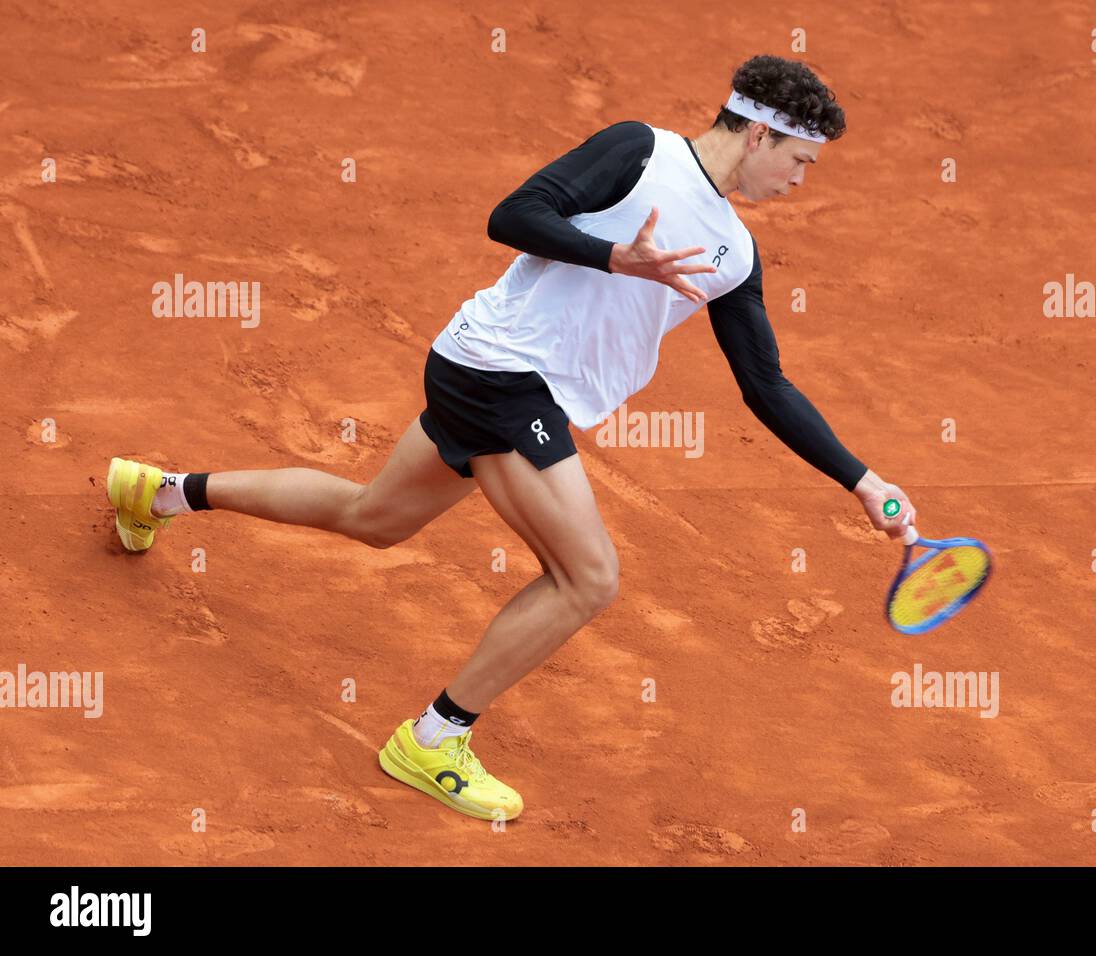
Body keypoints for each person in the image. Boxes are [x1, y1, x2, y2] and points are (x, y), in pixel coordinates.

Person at [105, 54, 918, 823]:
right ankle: (433, 739)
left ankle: (159, 491)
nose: (801, 180)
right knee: (589, 577)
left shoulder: (734, 253)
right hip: (502, 375)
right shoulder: (642, 153)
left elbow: (765, 384)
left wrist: (862, 480)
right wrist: (614, 259)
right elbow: (514, 215)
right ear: (757, 133)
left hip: (502, 383)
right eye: (801, 160)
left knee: (372, 518)